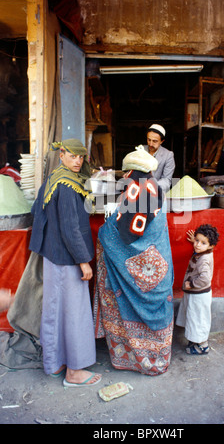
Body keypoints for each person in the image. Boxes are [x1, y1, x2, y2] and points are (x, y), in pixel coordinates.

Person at [94, 145, 174, 375]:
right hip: (159, 266)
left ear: (130, 172)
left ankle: (131, 358)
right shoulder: (154, 187)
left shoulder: (135, 191)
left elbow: (118, 235)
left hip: (139, 264)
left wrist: (103, 232)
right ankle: (157, 357)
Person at [29, 138, 102, 387]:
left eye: (81, 157)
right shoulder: (69, 186)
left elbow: (36, 211)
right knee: (74, 313)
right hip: (68, 258)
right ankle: (74, 372)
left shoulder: (53, 178)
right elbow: (71, 229)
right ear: (61, 154)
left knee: (54, 310)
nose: (78, 161)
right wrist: (83, 262)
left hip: (52, 257)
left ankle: (55, 363)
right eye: (72, 156)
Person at [176, 224, 219, 355]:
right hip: (195, 295)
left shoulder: (204, 259)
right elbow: (199, 248)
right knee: (194, 318)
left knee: (199, 320)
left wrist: (192, 284)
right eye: (197, 240)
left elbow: (205, 279)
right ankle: (196, 341)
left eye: (203, 243)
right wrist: (194, 242)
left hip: (199, 296)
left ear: (211, 246)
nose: (197, 245)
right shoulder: (204, 252)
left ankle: (203, 346)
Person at [144, 124, 175, 193]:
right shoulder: (141, 150)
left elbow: (167, 180)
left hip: (157, 193)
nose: (151, 144)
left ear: (162, 141)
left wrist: (150, 188)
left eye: (154, 141)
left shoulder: (168, 155)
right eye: (149, 140)